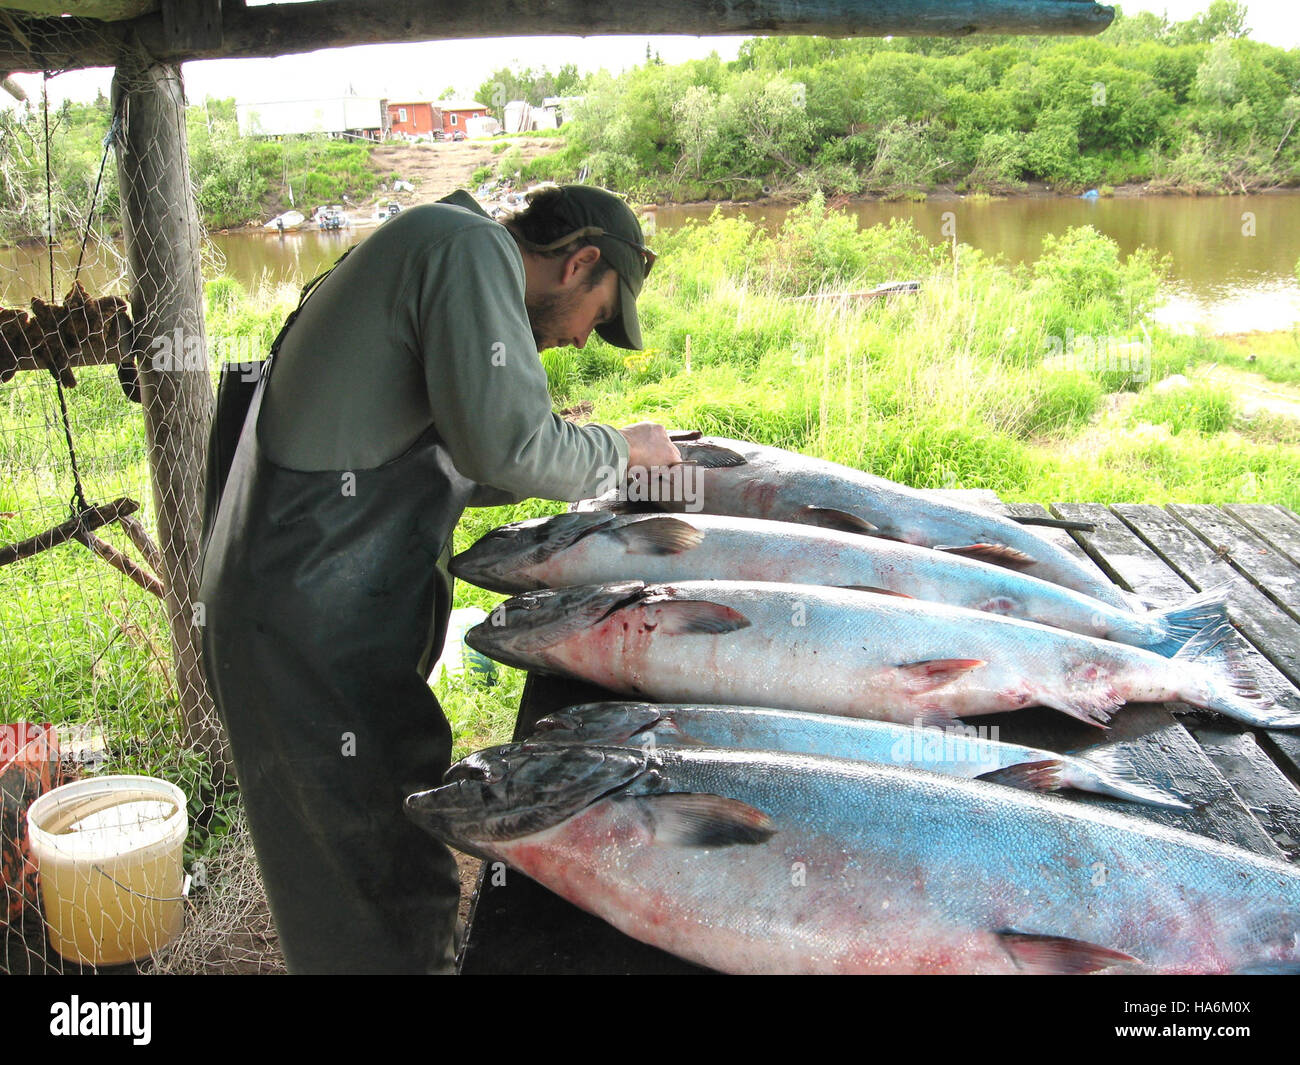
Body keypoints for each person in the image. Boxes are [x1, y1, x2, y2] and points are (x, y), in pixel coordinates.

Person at [197, 184, 679, 974]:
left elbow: (455, 461)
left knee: (376, 844)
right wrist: (622, 448)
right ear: (579, 263)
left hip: (313, 620)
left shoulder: (441, 252)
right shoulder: (468, 248)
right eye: (601, 313)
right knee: (363, 868)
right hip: (306, 631)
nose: (589, 340)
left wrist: (574, 457)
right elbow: (509, 450)